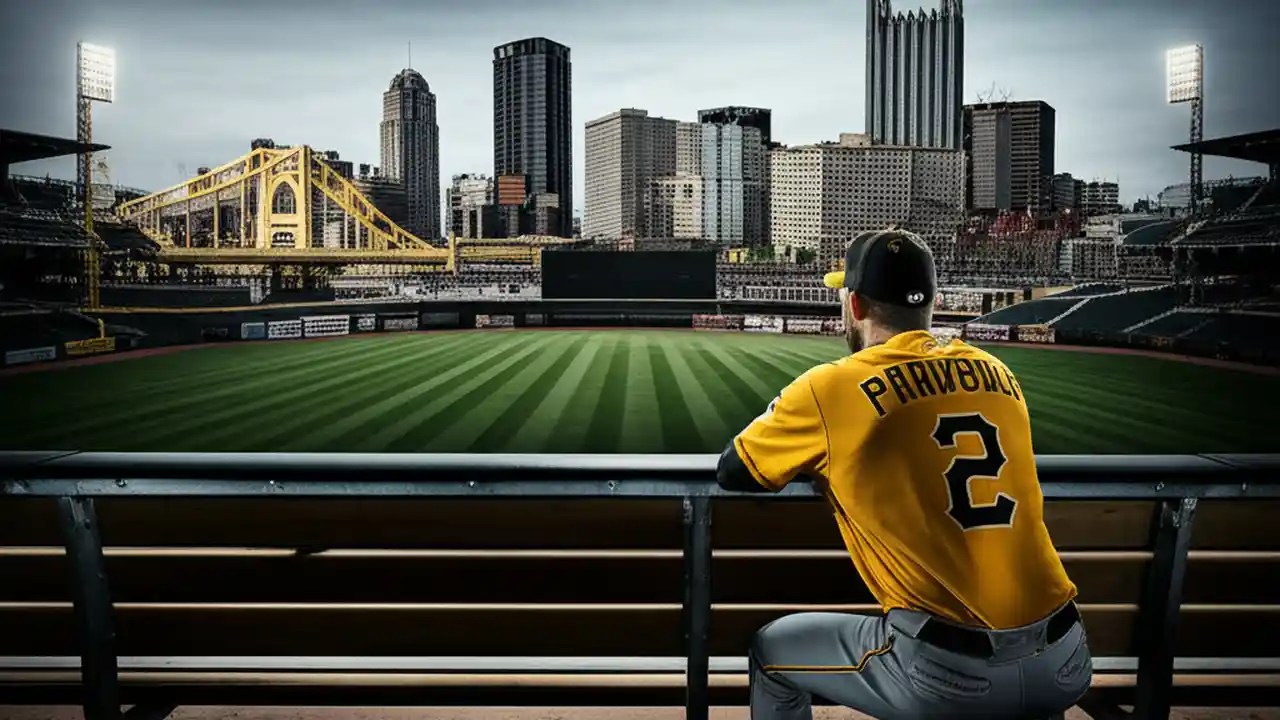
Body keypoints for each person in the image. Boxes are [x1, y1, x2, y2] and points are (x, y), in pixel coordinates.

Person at [716, 229, 1091, 720]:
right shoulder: (998, 372)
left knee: (771, 652)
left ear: (855, 305)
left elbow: (734, 470)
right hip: (1065, 660)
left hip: (949, 678)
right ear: (932, 303)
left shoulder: (831, 386)